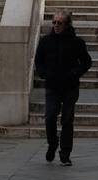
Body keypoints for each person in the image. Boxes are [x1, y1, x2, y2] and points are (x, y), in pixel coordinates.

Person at [34, 10, 93, 166]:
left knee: (67, 120)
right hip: (52, 86)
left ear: (67, 24)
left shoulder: (77, 42)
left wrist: (74, 73)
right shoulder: (46, 41)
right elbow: (38, 61)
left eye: (59, 23)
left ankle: (65, 153)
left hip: (70, 86)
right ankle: (52, 143)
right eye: (54, 22)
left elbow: (86, 62)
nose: (56, 25)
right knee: (50, 117)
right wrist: (44, 74)